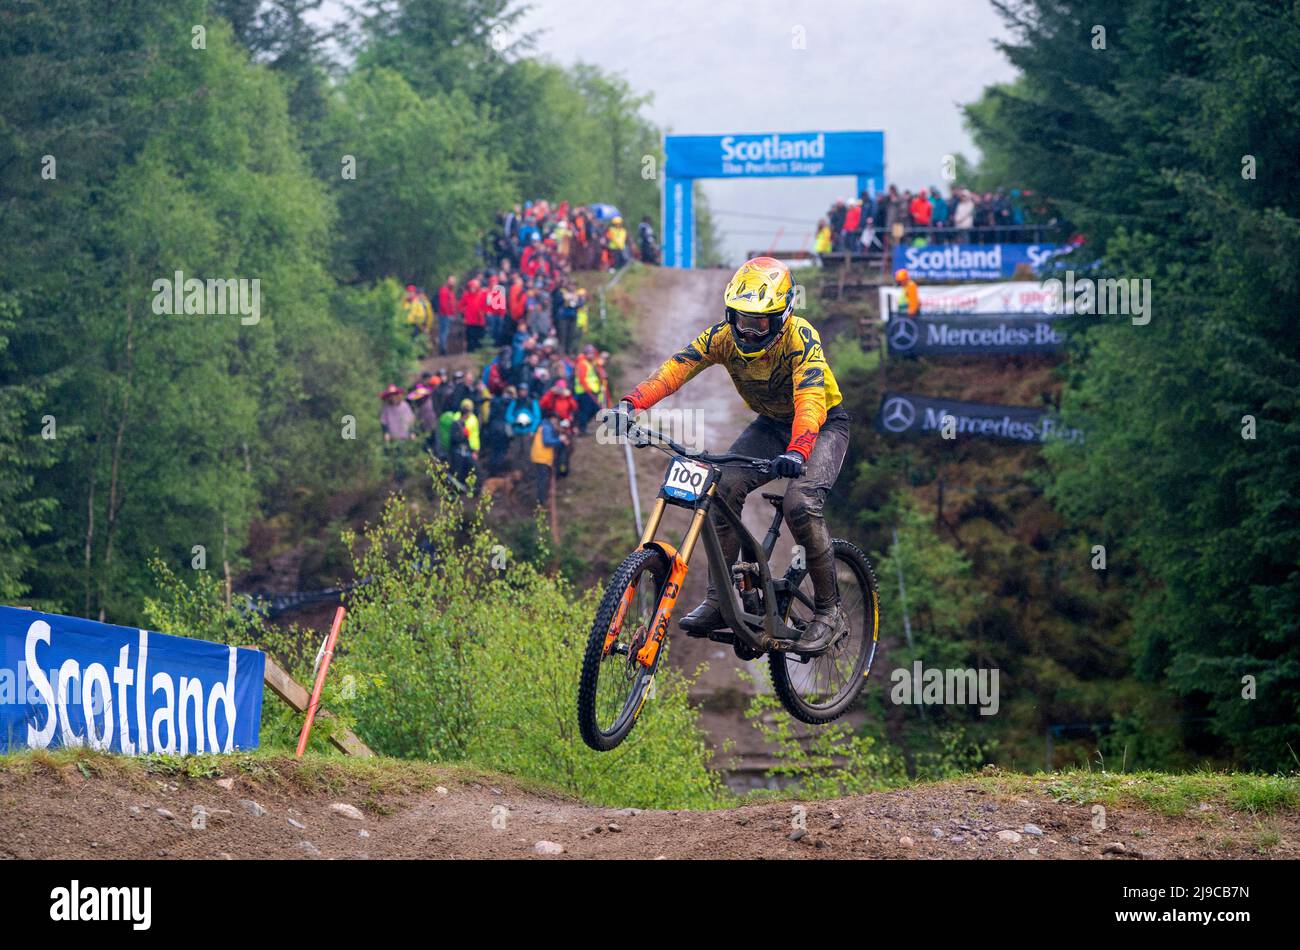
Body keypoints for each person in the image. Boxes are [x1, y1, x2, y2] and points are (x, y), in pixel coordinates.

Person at [610, 257, 850, 650]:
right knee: (719, 490)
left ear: (782, 316)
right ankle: (720, 600)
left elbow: (810, 400)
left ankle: (829, 611)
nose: (749, 332)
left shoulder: (800, 339)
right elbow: (677, 368)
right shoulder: (722, 338)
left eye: (760, 323)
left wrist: (799, 450)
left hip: (822, 427)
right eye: (741, 320)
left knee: (800, 504)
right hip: (772, 426)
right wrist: (631, 404)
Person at [530, 410, 567, 507]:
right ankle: (541, 501)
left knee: (543, 479)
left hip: (541, 456)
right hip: (542, 457)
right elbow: (547, 441)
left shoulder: (545, 426)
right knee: (542, 480)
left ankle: (542, 499)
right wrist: (560, 440)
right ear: (553, 419)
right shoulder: (546, 427)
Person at [573, 344, 602, 434]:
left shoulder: (589, 363)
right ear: (585, 354)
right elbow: (582, 379)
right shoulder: (582, 364)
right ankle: (582, 428)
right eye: (589, 353)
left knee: (594, 409)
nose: (591, 355)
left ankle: (582, 426)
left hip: (589, 391)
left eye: (592, 353)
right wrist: (588, 390)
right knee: (586, 411)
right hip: (584, 392)